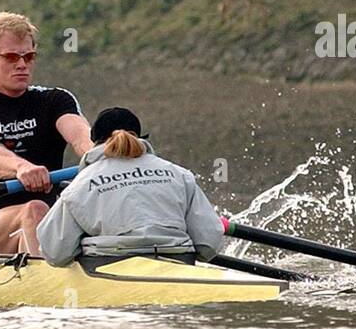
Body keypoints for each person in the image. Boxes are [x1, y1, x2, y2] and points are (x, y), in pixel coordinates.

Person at [0, 12, 92, 255]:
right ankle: (48, 286)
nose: (22, 64)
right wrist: (20, 168)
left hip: (52, 215)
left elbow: (81, 137)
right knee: (33, 210)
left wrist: (102, 154)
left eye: (29, 56)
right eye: (12, 57)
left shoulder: (56, 100)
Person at [38, 108, 225, 266]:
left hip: (108, 266)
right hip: (177, 259)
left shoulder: (79, 185)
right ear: (140, 138)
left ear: (94, 142)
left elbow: (55, 252)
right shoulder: (180, 174)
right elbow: (209, 243)